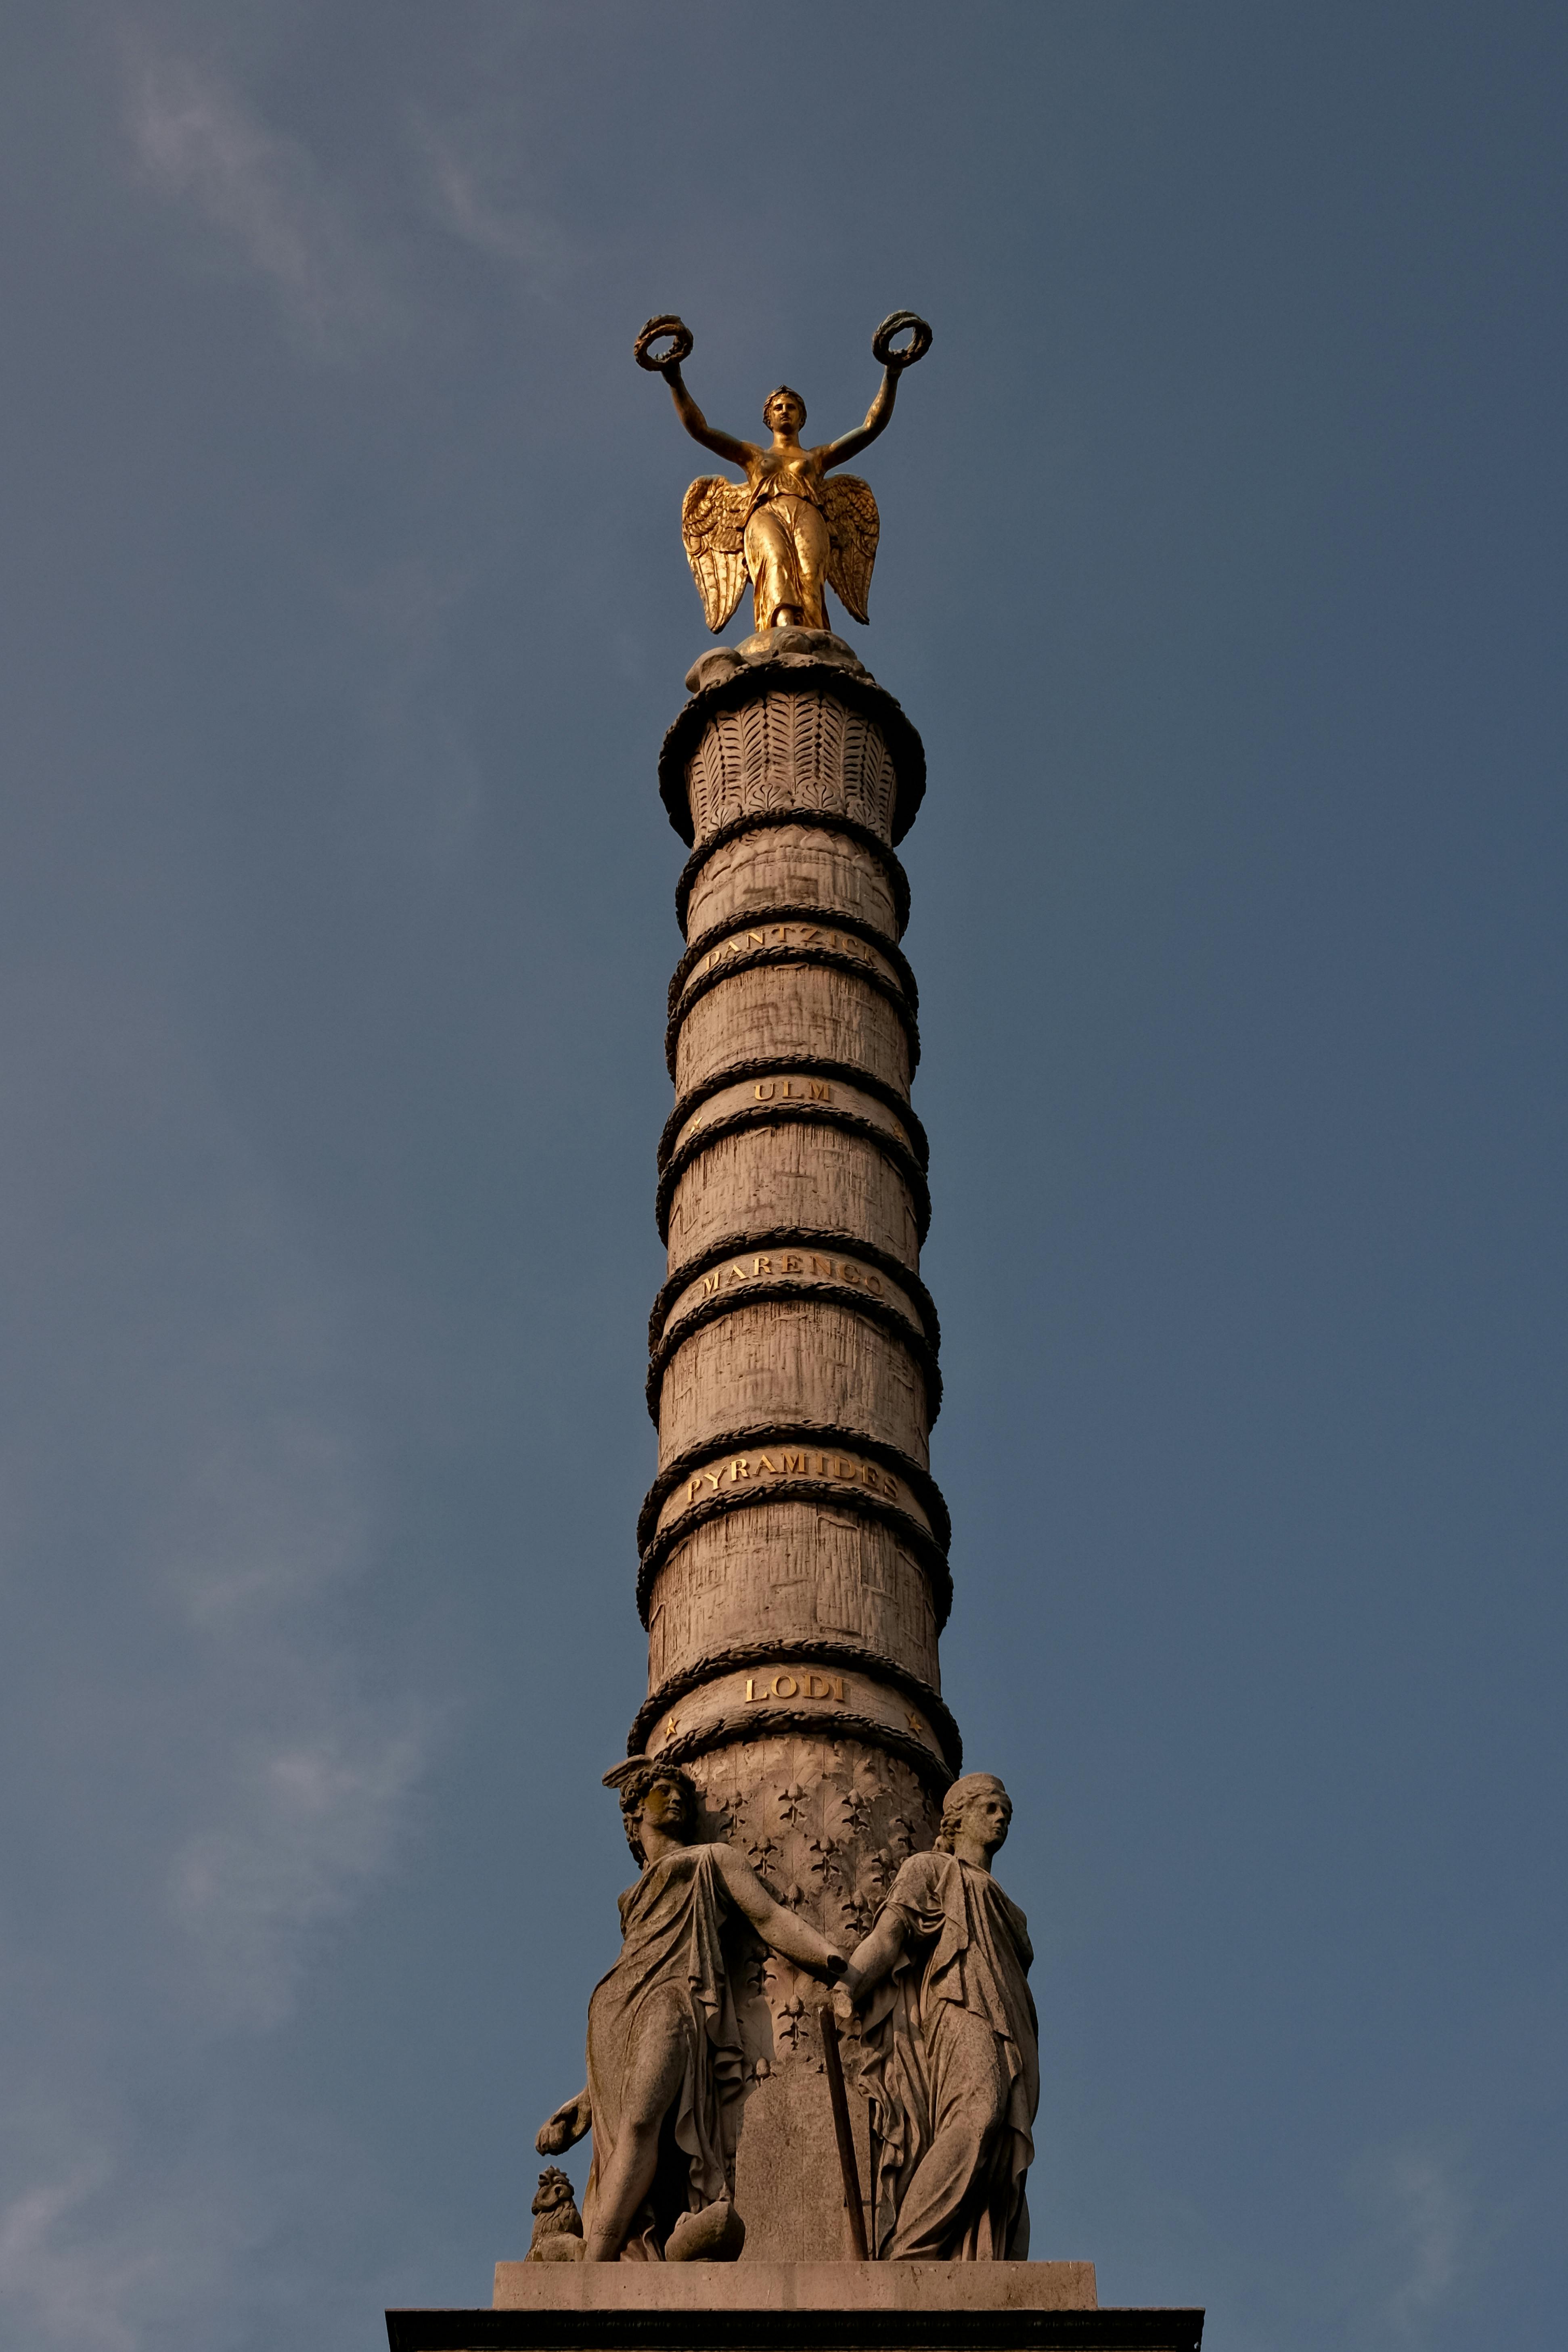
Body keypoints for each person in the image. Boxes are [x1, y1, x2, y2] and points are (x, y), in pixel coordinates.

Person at [536, 1761, 847, 2261]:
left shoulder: (711, 1860)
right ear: (635, 1810)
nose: (676, 1798)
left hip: (673, 1996)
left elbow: (771, 1917)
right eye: (662, 1791)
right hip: (615, 2008)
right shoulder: (630, 1899)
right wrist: (588, 2098)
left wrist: (836, 1961)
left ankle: (597, 2262)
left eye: (682, 1791)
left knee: (641, 2124)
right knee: (625, 2136)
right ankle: (621, 2253)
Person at [833, 1773, 1038, 2260]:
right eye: (989, 1807)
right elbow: (889, 1936)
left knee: (1006, 2152)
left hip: (1013, 2022)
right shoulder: (931, 1870)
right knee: (978, 2115)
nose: (1002, 1815)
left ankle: (977, 2258)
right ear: (958, 1816)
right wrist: (849, 1984)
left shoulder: (1011, 1910)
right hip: (958, 2003)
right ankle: (909, 2249)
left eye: (1005, 1808)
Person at [636, 311, 929, 632]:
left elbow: (871, 426)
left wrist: (892, 373)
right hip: (765, 513)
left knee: (810, 571)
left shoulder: (817, 458)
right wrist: (674, 378)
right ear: (769, 419)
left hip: (808, 513)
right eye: (778, 408)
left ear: (801, 418)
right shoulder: (752, 456)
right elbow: (700, 429)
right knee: (774, 561)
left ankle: (814, 634)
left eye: (791, 407)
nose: (785, 411)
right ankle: (783, 628)